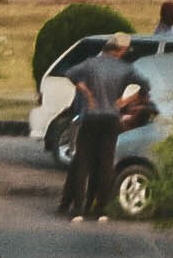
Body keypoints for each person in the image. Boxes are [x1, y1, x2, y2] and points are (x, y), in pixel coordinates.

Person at [58, 31, 145, 223]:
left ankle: (78, 208)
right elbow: (145, 84)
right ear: (121, 50)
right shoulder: (125, 69)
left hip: (91, 117)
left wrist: (86, 91)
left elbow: (70, 73)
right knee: (105, 164)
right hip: (111, 118)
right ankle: (101, 209)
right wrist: (125, 101)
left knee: (83, 162)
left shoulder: (91, 64)